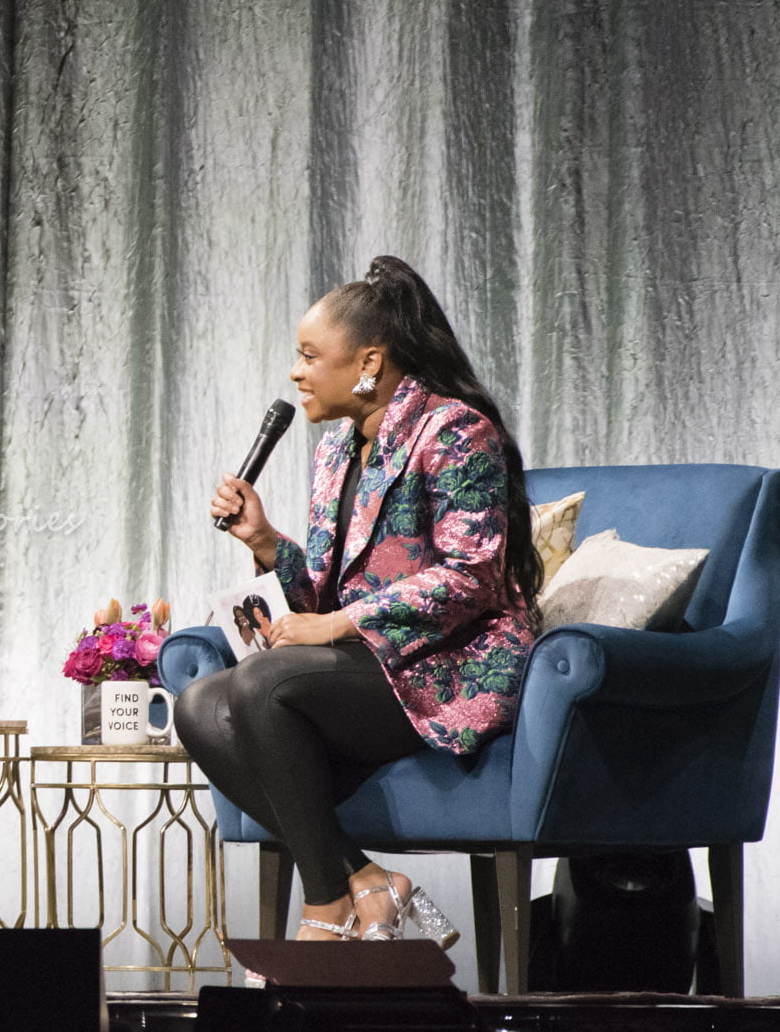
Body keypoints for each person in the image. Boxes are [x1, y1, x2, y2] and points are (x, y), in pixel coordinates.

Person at [175, 256, 541, 943]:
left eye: (310, 355)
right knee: (198, 704)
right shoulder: (336, 449)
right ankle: (365, 883)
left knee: (259, 683)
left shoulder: (455, 431)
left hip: (443, 668)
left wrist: (337, 624)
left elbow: (472, 574)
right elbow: (321, 589)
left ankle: (325, 907)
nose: (296, 372)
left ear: (369, 361)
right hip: (362, 664)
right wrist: (265, 541)